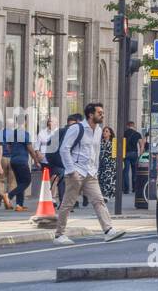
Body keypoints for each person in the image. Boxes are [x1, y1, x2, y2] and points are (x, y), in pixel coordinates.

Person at [53, 103, 125, 246]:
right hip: (76, 172)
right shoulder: (76, 128)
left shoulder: (98, 130)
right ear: (90, 115)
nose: (102, 115)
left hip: (91, 173)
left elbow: (95, 152)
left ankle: (108, 230)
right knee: (68, 203)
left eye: (102, 112)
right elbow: (64, 149)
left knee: (99, 200)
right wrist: (71, 170)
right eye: (100, 113)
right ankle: (59, 235)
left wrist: (96, 170)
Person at [121, 121, 143, 195]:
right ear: (133, 126)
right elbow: (141, 144)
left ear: (127, 126)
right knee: (134, 171)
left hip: (126, 154)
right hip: (134, 154)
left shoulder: (124, 133)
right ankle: (134, 188)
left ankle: (126, 189)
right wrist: (141, 154)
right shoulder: (137, 134)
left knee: (126, 172)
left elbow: (121, 143)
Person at [98, 126, 118, 202]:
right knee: (102, 179)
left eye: (106, 131)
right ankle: (103, 195)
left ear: (110, 133)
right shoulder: (101, 143)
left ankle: (107, 195)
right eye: (104, 131)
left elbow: (116, 155)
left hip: (111, 164)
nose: (104, 133)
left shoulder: (113, 142)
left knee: (109, 179)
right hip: (101, 164)